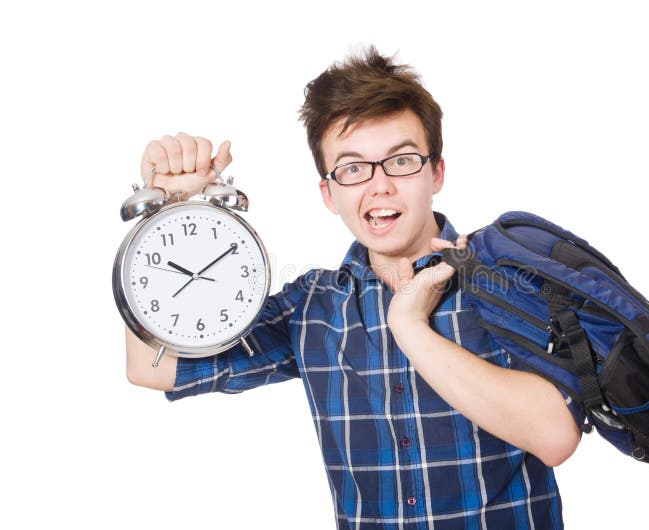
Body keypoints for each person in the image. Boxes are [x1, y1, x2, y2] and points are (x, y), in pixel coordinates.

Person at [126, 47, 582, 530]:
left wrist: (411, 328)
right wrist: (166, 210)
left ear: (436, 172)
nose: (379, 185)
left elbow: (555, 436)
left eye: (401, 161)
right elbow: (153, 367)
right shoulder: (313, 308)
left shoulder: (505, 278)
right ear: (329, 193)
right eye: (353, 168)